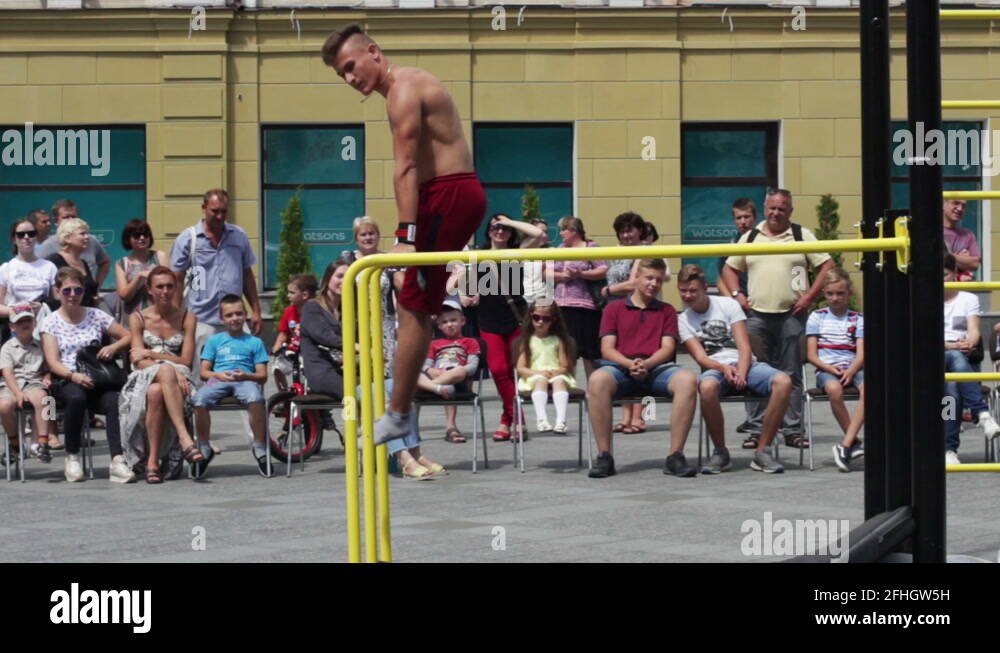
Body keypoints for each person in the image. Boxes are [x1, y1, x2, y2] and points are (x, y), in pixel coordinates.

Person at [322, 24, 487, 446]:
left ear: (373, 52)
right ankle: (398, 410)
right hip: (447, 193)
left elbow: (406, 167)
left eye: (351, 66)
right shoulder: (405, 85)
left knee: (413, 300)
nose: (350, 78)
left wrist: (406, 235)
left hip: (449, 193)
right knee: (414, 298)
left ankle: (397, 413)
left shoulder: (403, 90)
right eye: (342, 74)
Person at [720, 188, 835, 448]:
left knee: (791, 374)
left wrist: (809, 297)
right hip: (756, 316)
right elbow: (729, 268)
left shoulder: (801, 234)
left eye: (782, 208)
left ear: (790, 210)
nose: (776, 213)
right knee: (755, 373)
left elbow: (827, 266)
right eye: (772, 208)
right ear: (765, 208)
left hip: (791, 316)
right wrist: (737, 294)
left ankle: (793, 430)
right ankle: (756, 429)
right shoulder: (751, 236)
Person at [586, 258, 698, 479]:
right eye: (649, 278)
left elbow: (668, 348)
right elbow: (607, 349)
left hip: (656, 368)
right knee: (597, 380)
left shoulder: (667, 310)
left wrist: (646, 364)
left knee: (687, 379)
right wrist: (630, 364)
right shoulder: (614, 308)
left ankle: (675, 455)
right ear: (636, 278)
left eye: (659, 280)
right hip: (621, 367)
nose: (654, 284)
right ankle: (604, 455)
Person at [677, 264, 791, 475]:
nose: (687, 296)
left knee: (783, 382)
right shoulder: (683, 319)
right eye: (683, 291)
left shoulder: (727, 305)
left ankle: (763, 450)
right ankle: (720, 452)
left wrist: (742, 371)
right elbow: (701, 357)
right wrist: (723, 368)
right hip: (715, 366)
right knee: (707, 387)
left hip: (746, 363)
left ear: (705, 288)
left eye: (693, 290)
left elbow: (744, 347)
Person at [454, 213, 544, 442]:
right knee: (498, 370)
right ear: (488, 231)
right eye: (495, 227)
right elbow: (466, 283)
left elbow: (537, 233)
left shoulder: (517, 250)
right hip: (489, 319)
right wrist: (467, 294)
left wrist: (509, 221)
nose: (500, 231)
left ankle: (506, 419)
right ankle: (518, 418)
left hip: (515, 318)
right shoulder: (478, 254)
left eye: (505, 228)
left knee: (515, 370)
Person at [40, 267, 132, 483]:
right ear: (57, 292)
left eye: (78, 290)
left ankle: (117, 459)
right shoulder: (50, 322)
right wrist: (74, 376)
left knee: (114, 401)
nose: (72, 295)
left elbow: (128, 335)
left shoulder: (96, 315)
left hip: (98, 377)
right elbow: (53, 362)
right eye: (67, 290)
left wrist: (113, 347)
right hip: (67, 378)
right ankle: (72, 455)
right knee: (76, 397)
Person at [118, 267, 205, 484]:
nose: (165, 291)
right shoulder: (138, 317)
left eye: (169, 286)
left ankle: (152, 462)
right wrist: (168, 367)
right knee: (163, 373)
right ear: (149, 289)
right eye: (159, 287)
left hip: (181, 376)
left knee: (156, 392)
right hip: (145, 374)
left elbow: (186, 360)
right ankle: (185, 438)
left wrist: (152, 354)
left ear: (175, 288)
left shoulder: (187, 317)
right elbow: (138, 360)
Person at [170, 188, 264, 368]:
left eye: (224, 211)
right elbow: (177, 280)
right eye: (215, 211)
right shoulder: (188, 238)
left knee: (242, 371)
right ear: (204, 208)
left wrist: (256, 311)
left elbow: (247, 275)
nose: (220, 216)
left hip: (234, 318)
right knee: (201, 374)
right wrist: (175, 317)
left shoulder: (239, 236)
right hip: (201, 320)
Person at [601, 212, 669, 434]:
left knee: (642, 358)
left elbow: (633, 283)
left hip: (643, 309)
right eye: (622, 231)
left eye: (629, 230)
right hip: (619, 311)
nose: (626, 235)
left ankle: (639, 418)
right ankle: (626, 417)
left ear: (640, 230)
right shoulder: (618, 252)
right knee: (624, 361)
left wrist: (608, 290)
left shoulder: (644, 252)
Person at [191, 294, 271, 478]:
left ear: (245, 315)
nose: (235, 318)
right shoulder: (214, 340)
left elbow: (262, 376)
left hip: (245, 379)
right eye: (229, 315)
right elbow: (204, 372)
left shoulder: (255, 342)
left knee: (256, 398)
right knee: (199, 399)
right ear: (222, 318)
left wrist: (246, 375)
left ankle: (260, 447)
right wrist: (218, 374)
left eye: (238, 313)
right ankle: (204, 448)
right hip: (219, 379)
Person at [805, 268, 867, 472]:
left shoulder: (858, 318)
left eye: (840, 293)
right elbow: (812, 355)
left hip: (853, 367)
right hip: (827, 368)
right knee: (834, 389)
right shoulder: (817, 317)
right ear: (824, 293)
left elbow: (861, 354)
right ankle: (853, 442)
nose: (835, 298)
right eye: (830, 293)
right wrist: (828, 367)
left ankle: (845, 444)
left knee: (869, 390)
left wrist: (851, 371)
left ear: (849, 293)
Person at [942, 253, 1000, 465]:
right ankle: (981, 413)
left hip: (963, 363)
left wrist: (970, 342)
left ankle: (949, 449)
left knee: (951, 389)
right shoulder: (926, 299)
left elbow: (974, 331)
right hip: (937, 358)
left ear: (954, 274)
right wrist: (952, 346)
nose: (940, 280)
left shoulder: (968, 299)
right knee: (954, 355)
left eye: (945, 275)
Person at [552, 216, 608, 380]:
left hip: (586, 305)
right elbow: (548, 271)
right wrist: (561, 276)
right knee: (568, 350)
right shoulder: (561, 248)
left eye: (564, 229)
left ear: (574, 230)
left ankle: (594, 388)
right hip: (563, 305)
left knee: (589, 351)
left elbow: (603, 269)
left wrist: (581, 274)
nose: (561, 233)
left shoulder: (591, 247)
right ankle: (568, 387)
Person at [417, 303, 480, 443]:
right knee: (413, 373)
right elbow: (426, 365)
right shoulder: (434, 343)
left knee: (458, 372)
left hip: (457, 379)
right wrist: (431, 370)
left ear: (462, 321)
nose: (449, 325)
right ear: (439, 325)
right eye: (444, 322)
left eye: (453, 320)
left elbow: (472, 367)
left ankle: (451, 425)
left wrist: (453, 372)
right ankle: (435, 387)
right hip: (436, 374)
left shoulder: (470, 342)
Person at [0, 304, 55, 463]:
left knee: (46, 399)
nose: (25, 324)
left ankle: (43, 442)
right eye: (20, 322)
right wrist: (18, 393)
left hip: (34, 382)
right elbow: (7, 373)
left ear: (34, 323)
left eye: (28, 320)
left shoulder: (41, 345)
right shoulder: (7, 347)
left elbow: (47, 367)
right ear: (12, 326)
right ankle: (15, 443)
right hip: (11, 385)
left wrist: (47, 376)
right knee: (4, 405)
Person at [514, 301, 575, 435]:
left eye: (546, 319)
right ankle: (541, 419)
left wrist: (557, 371)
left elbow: (565, 365)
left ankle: (561, 420)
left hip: (555, 374)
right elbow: (521, 368)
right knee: (540, 380)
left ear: (553, 320)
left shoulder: (557, 340)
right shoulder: (527, 341)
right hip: (535, 375)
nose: (540, 322)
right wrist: (537, 372)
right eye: (536, 317)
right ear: (531, 317)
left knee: (559, 381)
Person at [37, 199, 112, 288]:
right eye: (66, 217)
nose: (71, 220)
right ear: (55, 221)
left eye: (73, 217)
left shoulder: (90, 240)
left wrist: (96, 287)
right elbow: (38, 274)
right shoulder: (47, 246)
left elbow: (105, 262)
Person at [114, 219, 170, 325]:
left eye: (145, 234)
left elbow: (170, 286)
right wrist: (139, 277)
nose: (142, 238)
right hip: (133, 320)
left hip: (159, 319)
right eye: (137, 235)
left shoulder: (160, 256)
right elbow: (124, 295)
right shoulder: (122, 263)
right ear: (128, 239)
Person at [0, 218, 58, 320]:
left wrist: (42, 307)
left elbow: (58, 300)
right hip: (15, 324)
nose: (26, 237)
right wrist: (21, 311)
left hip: (42, 322)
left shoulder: (50, 267)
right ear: (14, 239)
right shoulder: (5, 268)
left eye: (31, 234)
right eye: (21, 235)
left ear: (36, 237)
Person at [271, 273, 318, 392]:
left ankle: (310, 392)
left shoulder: (316, 311)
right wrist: (277, 345)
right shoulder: (289, 311)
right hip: (293, 349)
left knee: (307, 373)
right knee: (277, 367)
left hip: (310, 350)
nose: (288, 295)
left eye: (292, 293)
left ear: (304, 295)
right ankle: (283, 392)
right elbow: (283, 333)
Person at [44, 218, 101, 309]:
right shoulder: (53, 261)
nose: (87, 237)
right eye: (82, 234)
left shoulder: (83, 263)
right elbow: (54, 297)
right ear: (67, 238)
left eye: (87, 233)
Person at [716, 197, 755, 300]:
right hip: (740, 301)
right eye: (739, 218)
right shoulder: (729, 247)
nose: (743, 221)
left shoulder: (765, 242)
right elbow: (721, 280)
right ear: (734, 220)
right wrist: (734, 301)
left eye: (746, 217)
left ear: (755, 217)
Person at [943, 198, 980, 281]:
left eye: (963, 206)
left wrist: (948, 256)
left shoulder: (968, 234)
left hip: (961, 287)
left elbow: (975, 264)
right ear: (943, 204)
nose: (960, 208)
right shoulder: (932, 232)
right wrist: (961, 259)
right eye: (956, 203)